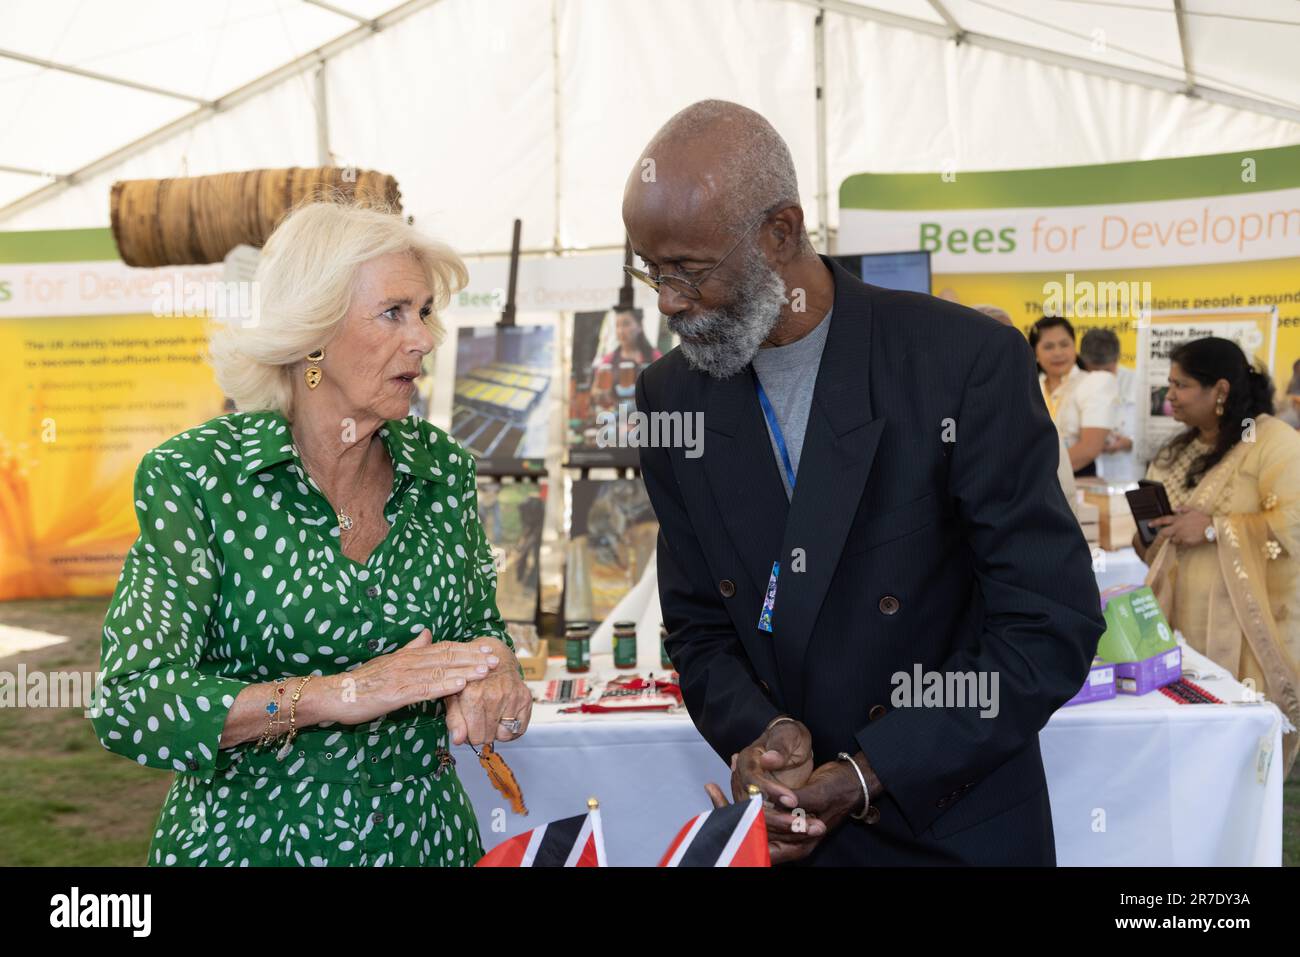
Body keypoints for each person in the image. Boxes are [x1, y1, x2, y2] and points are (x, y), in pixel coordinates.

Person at [626, 100, 1104, 866]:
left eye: (688, 269)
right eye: (649, 269)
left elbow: (1046, 622)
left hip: (956, 825)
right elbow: (697, 627)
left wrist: (868, 770)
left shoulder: (960, 362)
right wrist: (762, 735)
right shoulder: (670, 398)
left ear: (782, 233)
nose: (668, 300)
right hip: (791, 839)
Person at [89, 200, 533, 866]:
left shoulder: (443, 469)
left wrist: (496, 672)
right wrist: (346, 691)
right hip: (251, 847)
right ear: (312, 334)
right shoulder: (201, 477)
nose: (423, 338)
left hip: (424, 843)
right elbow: (134, 701)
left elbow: (479, 632)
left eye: (425, 311)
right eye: (394, 312)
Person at [1135, 337, 1299, 773]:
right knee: (1184, 750)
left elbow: (1294, 520)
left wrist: (1212, 528)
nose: (1169, 395)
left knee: (1238, 760)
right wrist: (1150, 534)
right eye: (1169, 383)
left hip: (1245, 627)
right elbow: (1156, 544)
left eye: (1182, 385)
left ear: (1220, 390)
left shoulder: (1272, 440)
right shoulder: (1179, 450)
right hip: (1181, 621)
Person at [1030, 316, 1119, 478]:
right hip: (1035, 481)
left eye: (1064, 344)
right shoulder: (1029, 387)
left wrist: (1034, 474)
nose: (1058, 353)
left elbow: (1089, 449)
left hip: (1078, 480)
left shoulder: (1094, 382)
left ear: (1074, 346)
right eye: (1048, 347)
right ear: (1035, 352)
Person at [1079, 327, 1141, 483]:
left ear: (1117, 358)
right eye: (1094, 370)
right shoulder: (1076, 384)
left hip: (1127, 474)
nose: (1101, 377)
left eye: (1107, 370)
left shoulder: (1137, 383)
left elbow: (1154, 432)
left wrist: (1130, 441)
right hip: (1086, 476)